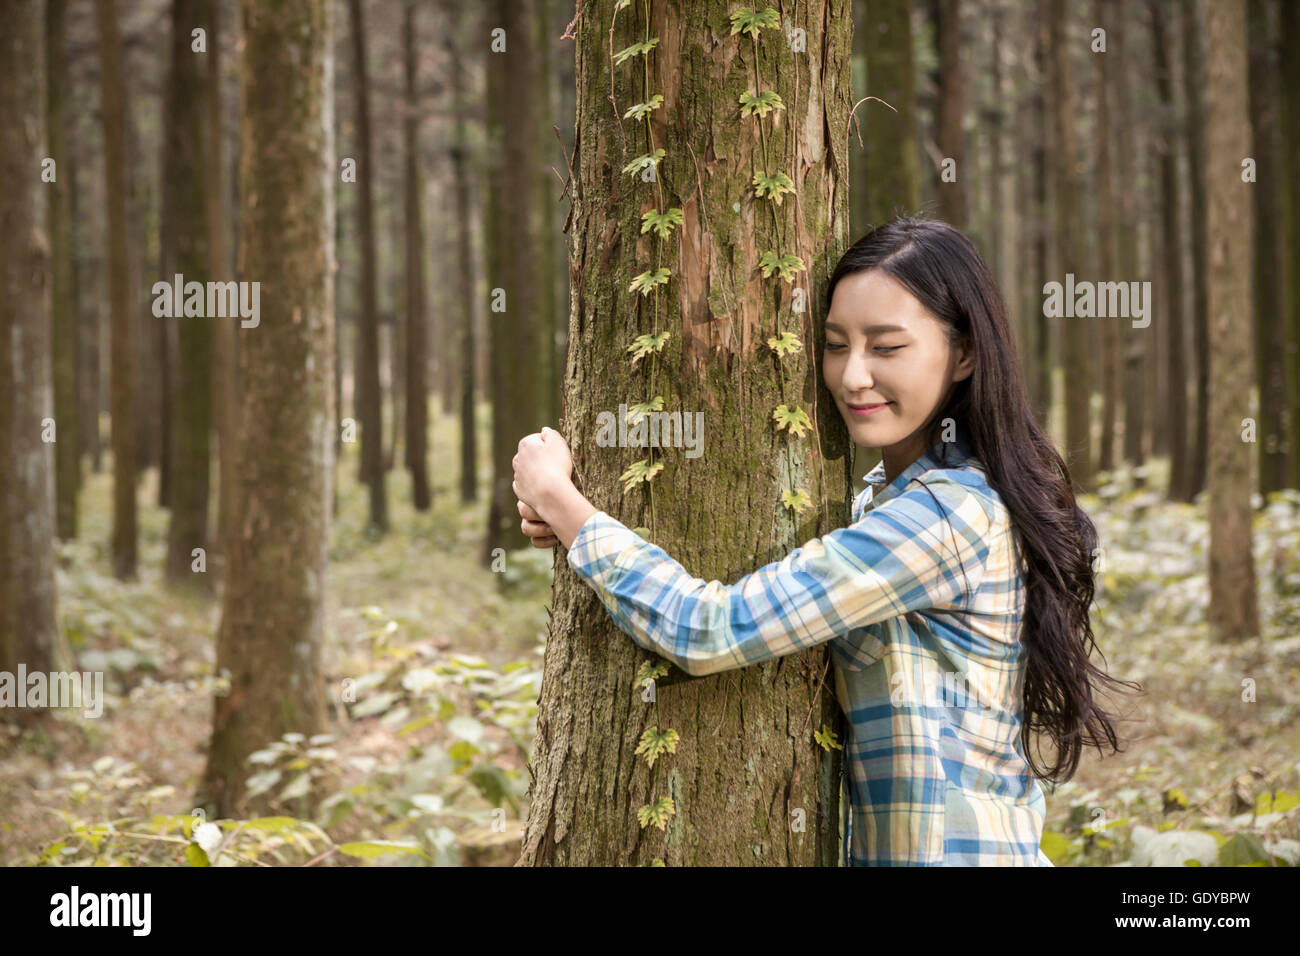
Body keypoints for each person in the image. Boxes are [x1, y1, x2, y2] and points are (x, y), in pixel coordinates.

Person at [511, 215, 1137, 866]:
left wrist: (562, 501)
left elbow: (708, 630)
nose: (852, 376)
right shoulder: (885, 500)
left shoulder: (945, 519)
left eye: (886, 347)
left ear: (965, 353)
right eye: (836, 344)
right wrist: (574, 526)